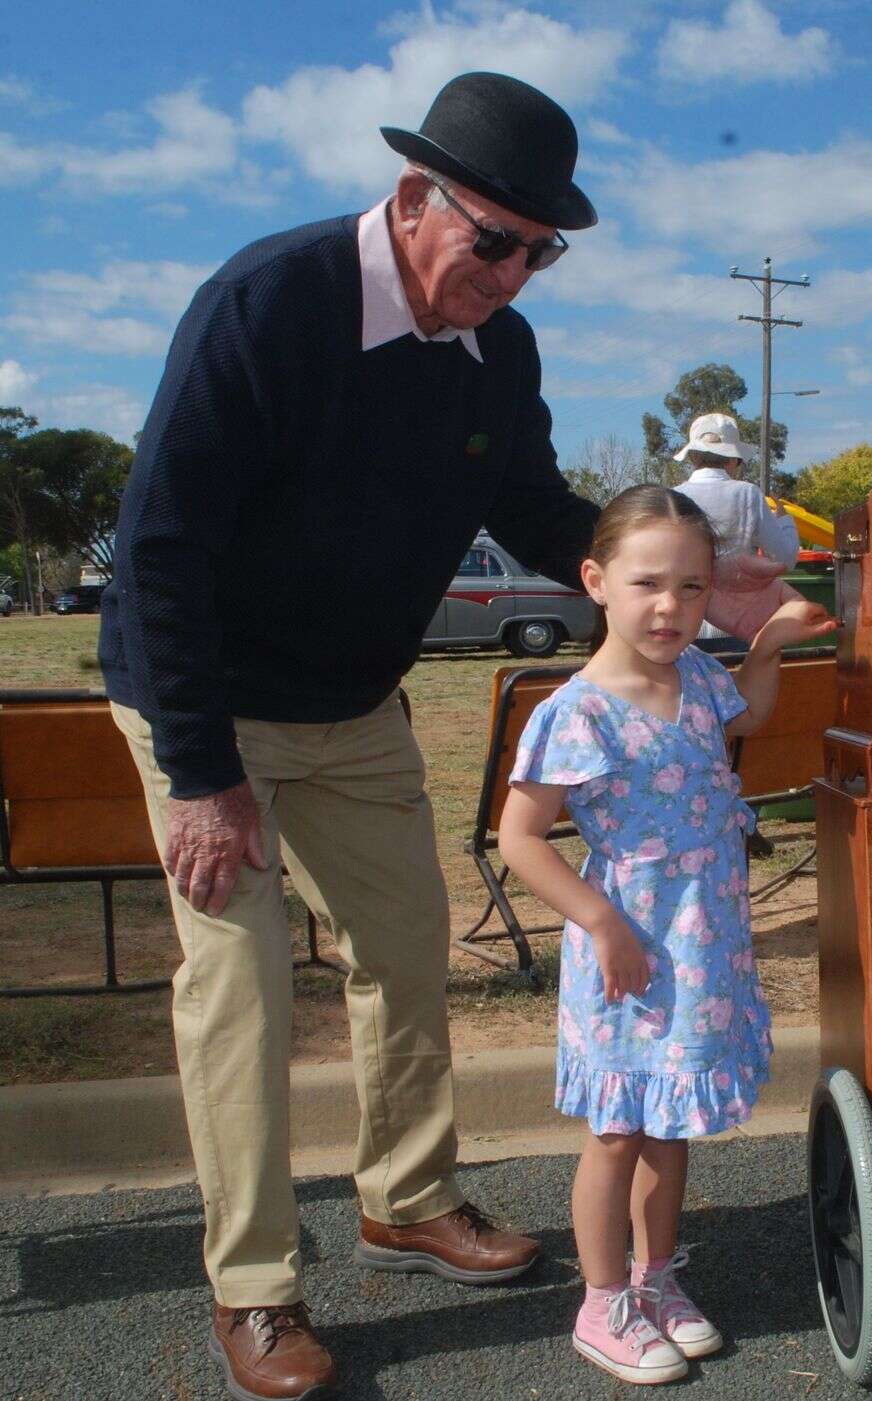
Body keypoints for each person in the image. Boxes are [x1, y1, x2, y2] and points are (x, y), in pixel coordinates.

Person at [96, 70, 612, 1401]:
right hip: (205, 703)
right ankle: (256, 1285)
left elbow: (537, 506)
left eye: (538, 252)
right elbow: (158, 548)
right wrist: (203, 777)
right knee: (241, 989)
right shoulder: (267, 304)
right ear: (412, 198)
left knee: (405, 945)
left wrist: (656, 561)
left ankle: (408, 1198)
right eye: (493, 239)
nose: (511, 274)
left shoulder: (500, 351)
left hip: (354, 704)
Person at [497, 485, 834, 1383]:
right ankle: (602, 1301)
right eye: (647, 583)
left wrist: (766, 644)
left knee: (669, 1122)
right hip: (628, 952)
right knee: (617, 1128)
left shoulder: (699, 679)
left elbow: (749, 714)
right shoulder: (578, 709)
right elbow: (520, 838)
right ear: (596, 581)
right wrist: (600, 919)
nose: (669, 607)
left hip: (700, 944)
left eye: (691, 588)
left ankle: (655, 1278)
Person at [672, 412, 800, 654]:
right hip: (738, 621)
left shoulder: (671, 497)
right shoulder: (747, 494)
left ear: (693, 457)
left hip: (683, 623)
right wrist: (785, 521)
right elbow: (786, 558)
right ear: (733, 459)